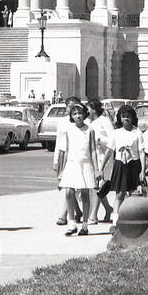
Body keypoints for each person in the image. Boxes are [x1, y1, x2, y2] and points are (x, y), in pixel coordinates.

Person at [54, 98, 100, 235]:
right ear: (71, 116)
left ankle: (85, 225)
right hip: (72, 163)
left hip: (85, 163)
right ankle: (72, 222)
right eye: (74, 114)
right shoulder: (68, 129)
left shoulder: (90, 129)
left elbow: (92, 150)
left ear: (84, 114)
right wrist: (61, 171)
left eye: (79, 113)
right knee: (69, 192)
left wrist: (97, 169)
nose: (77, 116)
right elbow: (66, 150)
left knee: (85, 194)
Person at [109, 104, 145, 218]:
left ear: (133, 117)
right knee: (119, 194)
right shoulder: (116, 133)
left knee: (134, 194)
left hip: (134, 165)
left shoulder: (137, 132)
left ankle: (131, 219)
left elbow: (142, 152)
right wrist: (100, 168)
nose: (126, 118)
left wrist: (143, 171)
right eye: (123, 116)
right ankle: (115, 221)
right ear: (119, 118)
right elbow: (109, 150)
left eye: (128, 116)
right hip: (120, 165)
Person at [87, 97, 117, 223]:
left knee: (99, 185)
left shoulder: (104, 120)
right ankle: (108, 208)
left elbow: (112, 137)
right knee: (95, 185)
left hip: (104, 156)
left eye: (88, 108)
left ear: (94, 109)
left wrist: (102, 142)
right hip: (93, 156)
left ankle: (93, 215)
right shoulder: (89, 122)